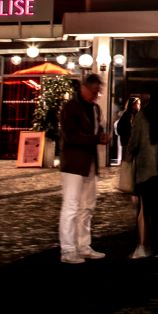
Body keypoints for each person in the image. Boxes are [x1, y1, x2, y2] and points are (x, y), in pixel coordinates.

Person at [58, 73, 107, 264]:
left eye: (98, 92)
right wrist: (96, 138)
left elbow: (96, 129)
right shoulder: (71, 107)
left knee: (87, 206)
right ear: (84, 88)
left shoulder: (94, 108)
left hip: (88, 163)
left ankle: (83, 245)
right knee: (71, 206)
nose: (96, 95)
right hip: (73, 164)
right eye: (94, 91)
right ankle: (68, 249)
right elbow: (70, 136)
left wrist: (100, 135)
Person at [126, 89, 158, 259]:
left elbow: (134, 143)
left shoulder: (143, 116)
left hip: (146, 171)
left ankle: (145, 245)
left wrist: (127, 160)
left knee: (146, 210)